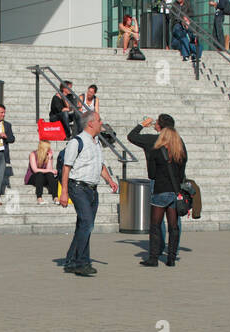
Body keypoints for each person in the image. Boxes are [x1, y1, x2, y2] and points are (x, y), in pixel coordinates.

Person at [59, 112, 119, 276]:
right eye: (99, 120)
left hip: (92, 189)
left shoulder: (97, 142)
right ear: (90, 123)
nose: (102, 122)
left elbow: (100, 165)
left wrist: (110, 181)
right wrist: (64, 192)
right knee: (87, 223)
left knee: (83, 225)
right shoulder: (76, 142)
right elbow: (66, 167)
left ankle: (71, 261)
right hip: (78, 187)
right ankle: (82, 262)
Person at [128, 114, 188, 267]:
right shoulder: (180, 145)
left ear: (160, 128)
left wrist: (142, 124)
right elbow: (182, 169)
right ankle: (172, 258)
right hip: (175, 189)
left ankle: (154, 257)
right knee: (174, 225)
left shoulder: (154, 144)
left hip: (160, 188)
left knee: (156, 224)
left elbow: (152, 174)